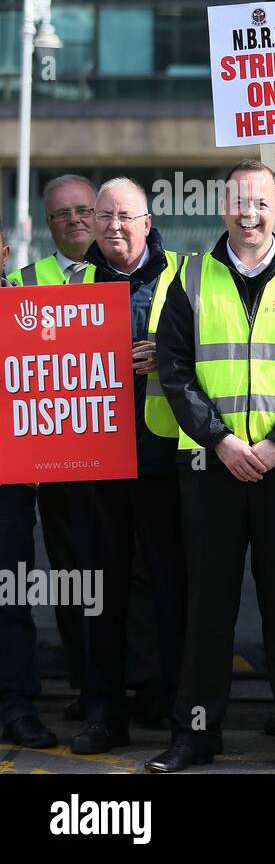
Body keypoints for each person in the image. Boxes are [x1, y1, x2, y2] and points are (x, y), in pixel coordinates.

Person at [147, 159, 275, 774]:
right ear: (221, 207)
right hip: (212, 468)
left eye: (260, 202)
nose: (248, 213)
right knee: (207, 605)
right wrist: (221, 442)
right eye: (237, 201)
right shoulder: (190, 277)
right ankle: (195, 734)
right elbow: (174, 369)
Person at [64, 178, 189, 756]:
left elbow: (211, 351)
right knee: (100, 594)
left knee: (172, 593)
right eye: (104, 215)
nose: (114, 226)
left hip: (167, 462)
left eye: (125, 216)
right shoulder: (70, 286)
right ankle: (103, 714)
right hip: (94, 464)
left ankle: (176, 707)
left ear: (147, 222)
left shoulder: (182, 277)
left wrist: (166, 356)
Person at [6, 174, 98, 719]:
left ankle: (141, 687)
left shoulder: (138, 274)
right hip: (52, 460)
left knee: (133, 576)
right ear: (47, 223)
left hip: (126, 453)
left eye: (84, 209)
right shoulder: (23, 286)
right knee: (71, 575)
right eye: (62, 213)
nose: (75, 220)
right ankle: (89, 690)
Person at [0, 218, 58, 750]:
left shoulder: (24, 307)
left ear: (2, 248)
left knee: (9, 596)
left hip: (7, 479)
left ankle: (15, 705)